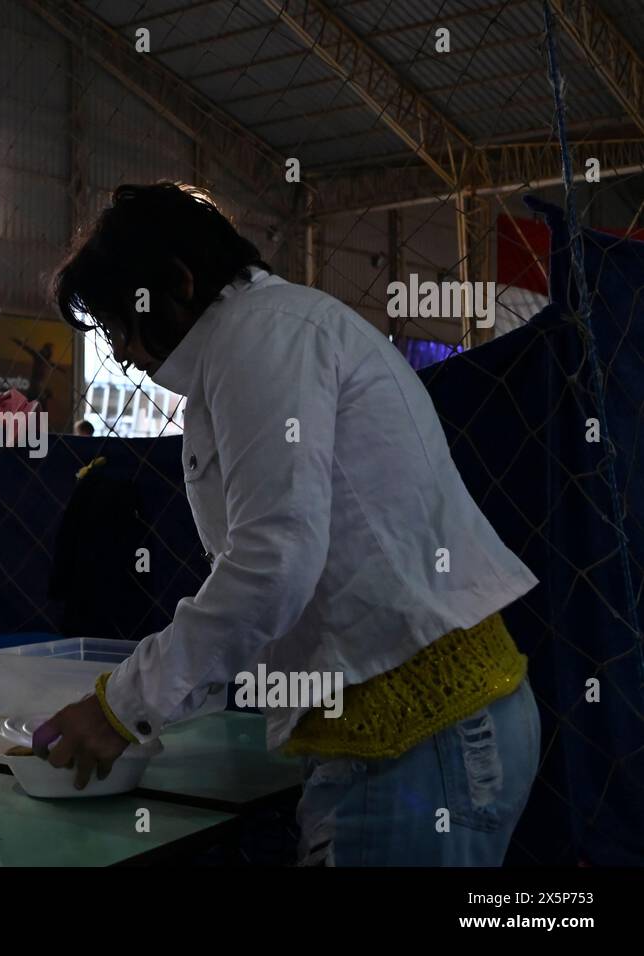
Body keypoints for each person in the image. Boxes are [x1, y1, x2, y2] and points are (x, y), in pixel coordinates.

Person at [39, 182, 540, 866]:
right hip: (419, 730)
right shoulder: (266, 337)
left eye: (120, 324)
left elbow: (271, 565)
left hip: (417, 737)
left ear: (180, 283)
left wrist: (122, 705)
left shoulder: (259, 338)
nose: (122, 352)